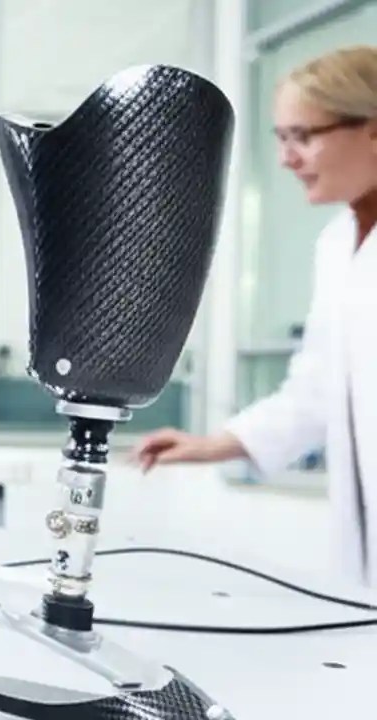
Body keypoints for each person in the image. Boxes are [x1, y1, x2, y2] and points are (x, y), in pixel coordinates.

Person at [134, 46, 377, 586]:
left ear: (372, 129)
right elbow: (316, 392)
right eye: (281, 139)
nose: (288, 158)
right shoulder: (338, 245)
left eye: (304, 136)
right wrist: (212, 445)